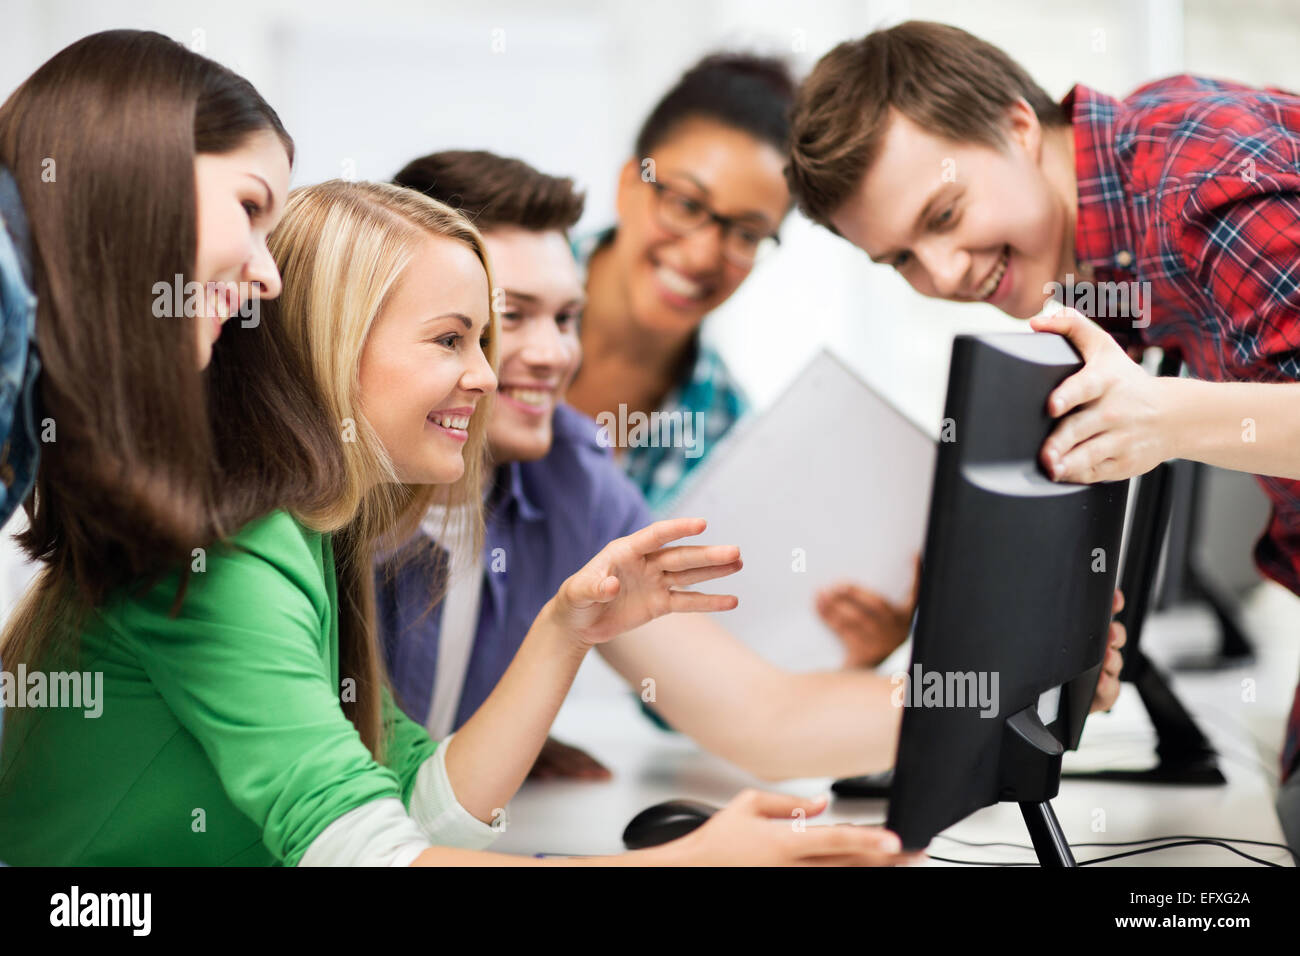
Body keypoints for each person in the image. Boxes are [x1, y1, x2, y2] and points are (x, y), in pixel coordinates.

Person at [0, 32, 915, 866]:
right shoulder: (236, 544)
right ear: (337, 340)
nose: (508, 369)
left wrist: (561, 631)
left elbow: (414, 809)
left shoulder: (318, 534)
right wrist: (688, 865)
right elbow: (370, 856)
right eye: (458, 338)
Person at [383, 148, 1128, 782]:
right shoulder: (319, 502)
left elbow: (764, 714)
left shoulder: (565, 473)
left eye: (567, 317)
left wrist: (1013, 686)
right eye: (511, 316)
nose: (553, 354)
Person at [785, 19, 1300, 852]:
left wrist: (1162, 422)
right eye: (903, 259)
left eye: (945, 213)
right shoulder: (1106, 245)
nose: (945, 273)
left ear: (1018, 127)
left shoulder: (1204, 185)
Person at [564, 52, 792, 514]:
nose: (702, 255)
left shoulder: (731, 435)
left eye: (747, 234)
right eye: (686, 204)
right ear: (630, 183)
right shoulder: (483, 300)